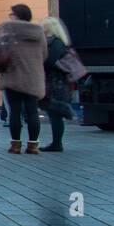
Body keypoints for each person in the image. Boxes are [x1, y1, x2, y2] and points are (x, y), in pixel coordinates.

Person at [0, 3, 47, 154]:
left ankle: (15, 145)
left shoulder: (6, 29)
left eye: (11, 14)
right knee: (32, 112)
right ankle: (33, 145)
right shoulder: (39, 31)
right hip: (33, 77)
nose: (10, 16)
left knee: (14, 112)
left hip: (12, 77)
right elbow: (44, 55)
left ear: (17, 15)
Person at [40, 16, 76, 153]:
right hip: (58, 82)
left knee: (55, 113)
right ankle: (56, 143)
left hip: (54, 83)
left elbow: (50, 62)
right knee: (55, 113)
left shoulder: (53, 43)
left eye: (43, 26)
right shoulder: (60, 42)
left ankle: (56, 143)